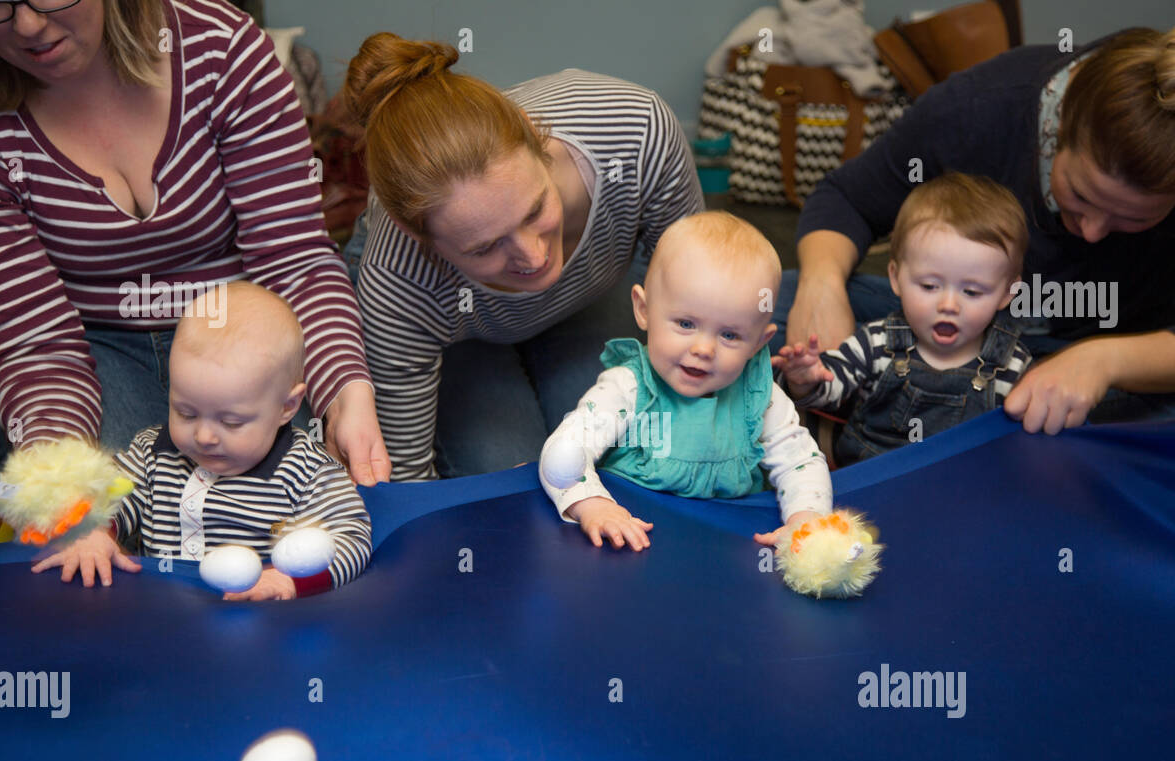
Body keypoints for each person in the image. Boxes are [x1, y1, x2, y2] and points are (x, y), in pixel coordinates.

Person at [0, 0, 388, 483]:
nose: (27, 24)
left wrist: (346, 395)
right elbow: (35, 341)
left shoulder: (220, 48)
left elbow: (294, 262)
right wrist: (62, 482)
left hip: (243, 326)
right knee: (132, 513)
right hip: (88, 346)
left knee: (303, 488)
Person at [781, 19, 1175, 435]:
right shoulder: (981, 107)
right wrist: (822, 288)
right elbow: (847, 199)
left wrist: (1104, 361)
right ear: (1060, 129)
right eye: (1078, 196)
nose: (1092, 232)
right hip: (962, 326)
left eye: (1134, 218)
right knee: (768, 300)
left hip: (1132, 364)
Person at [343, 34, 704, 481]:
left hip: (588, 294)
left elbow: (702, 296)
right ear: (419, 238)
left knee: (633, 455)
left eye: (535, 210)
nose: (533, 257)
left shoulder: (636, 133)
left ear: (536, 136)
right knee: (511, 481)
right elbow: (407, 481)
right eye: (484, 247)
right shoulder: (399, 276)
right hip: (462, 337)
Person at [31, 283, 372, 600]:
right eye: (186, 413)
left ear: (286, 407)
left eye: (231, 421)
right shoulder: (153, 452)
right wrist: (92, 532)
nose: (204, 436)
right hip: (165, 615)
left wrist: (287, 581)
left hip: (263, 624)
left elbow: (352, 538)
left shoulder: (307, 470)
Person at [539, 212, 833, 551]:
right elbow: (563, 452)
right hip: (633, 539)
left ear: (758, 343)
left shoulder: (760, 398)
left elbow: (801, 460)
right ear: (644, 310)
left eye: (729, 334)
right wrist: (593, 506)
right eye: (686, 324)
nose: (703, 349)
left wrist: (806, 518)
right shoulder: (629, 388)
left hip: (721, 550)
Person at [775, 173, 1032, 465]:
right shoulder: (877, 342)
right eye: (929, 287)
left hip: (962, 488)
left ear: (1008, 294)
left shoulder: (1011, 364)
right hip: (873, 478)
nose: (948, 305)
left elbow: (1022, 443)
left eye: (971, 292)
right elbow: (829, 390)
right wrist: (805, 381)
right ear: (895, 278)